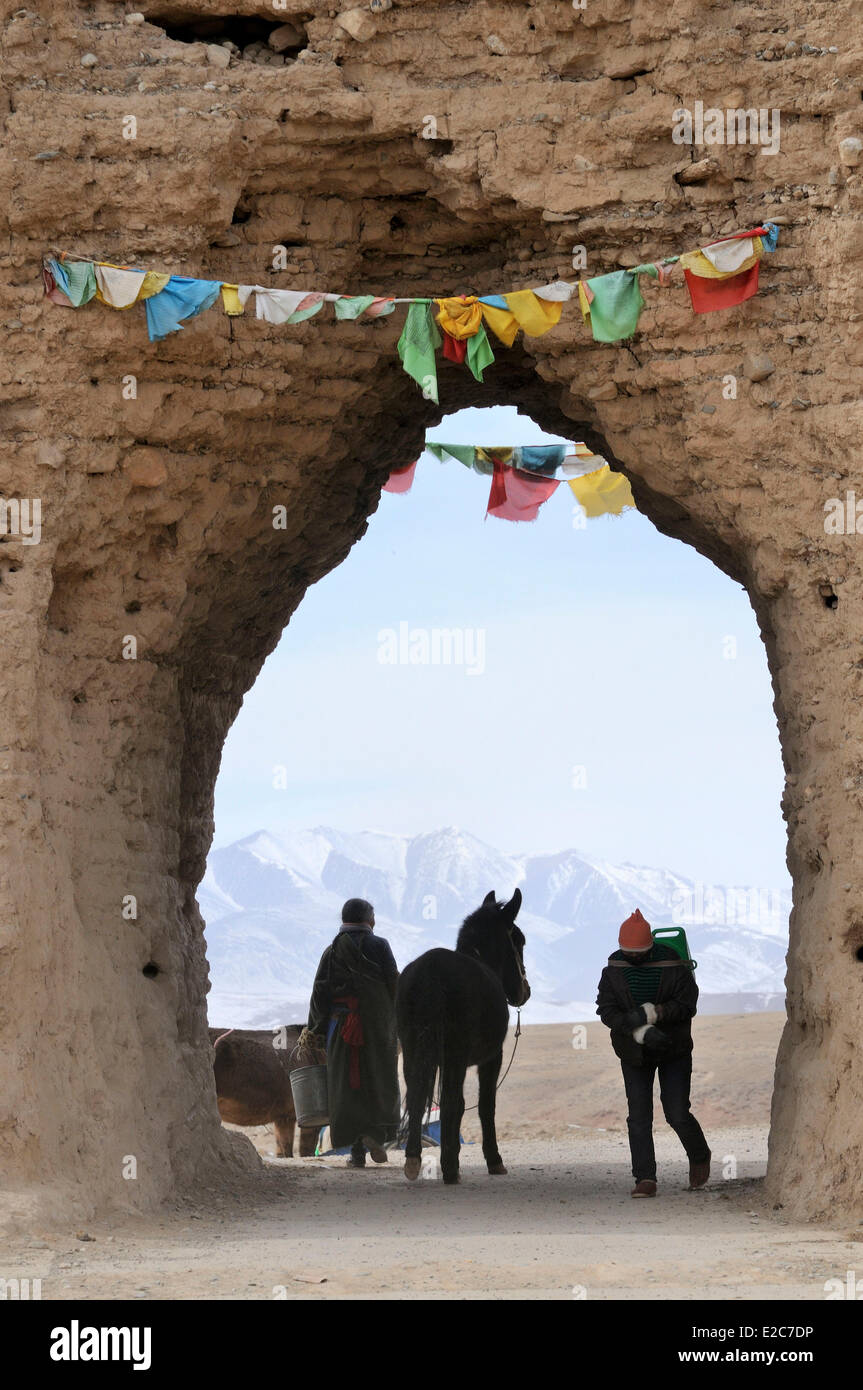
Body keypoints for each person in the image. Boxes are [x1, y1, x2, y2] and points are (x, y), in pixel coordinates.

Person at [596, 908, 711, 1197]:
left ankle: (699, 1155)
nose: (633, 959)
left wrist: (655, 1013)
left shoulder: (673, 966)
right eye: (628, 954)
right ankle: (645, 1178)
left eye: (639, 954)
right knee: (638, 1116)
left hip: (674, 1049)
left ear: (650, 948)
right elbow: (606, 1010)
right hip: (634, 1053)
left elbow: (687, 1005)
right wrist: (636, 1027)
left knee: (676, 1112)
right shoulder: (613, 969)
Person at [306, 898, 400, 1168]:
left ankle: (357, 1153)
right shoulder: (380, 945)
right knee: (378, 1083)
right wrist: (399, 1021)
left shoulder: (332, 950)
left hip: (341, 1029)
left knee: (347, 1089)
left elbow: (319, 993)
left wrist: (315, 1031)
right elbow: (393, 983)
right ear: (367, 918)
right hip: (378, 1030)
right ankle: (376, 1136)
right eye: (374, 914)